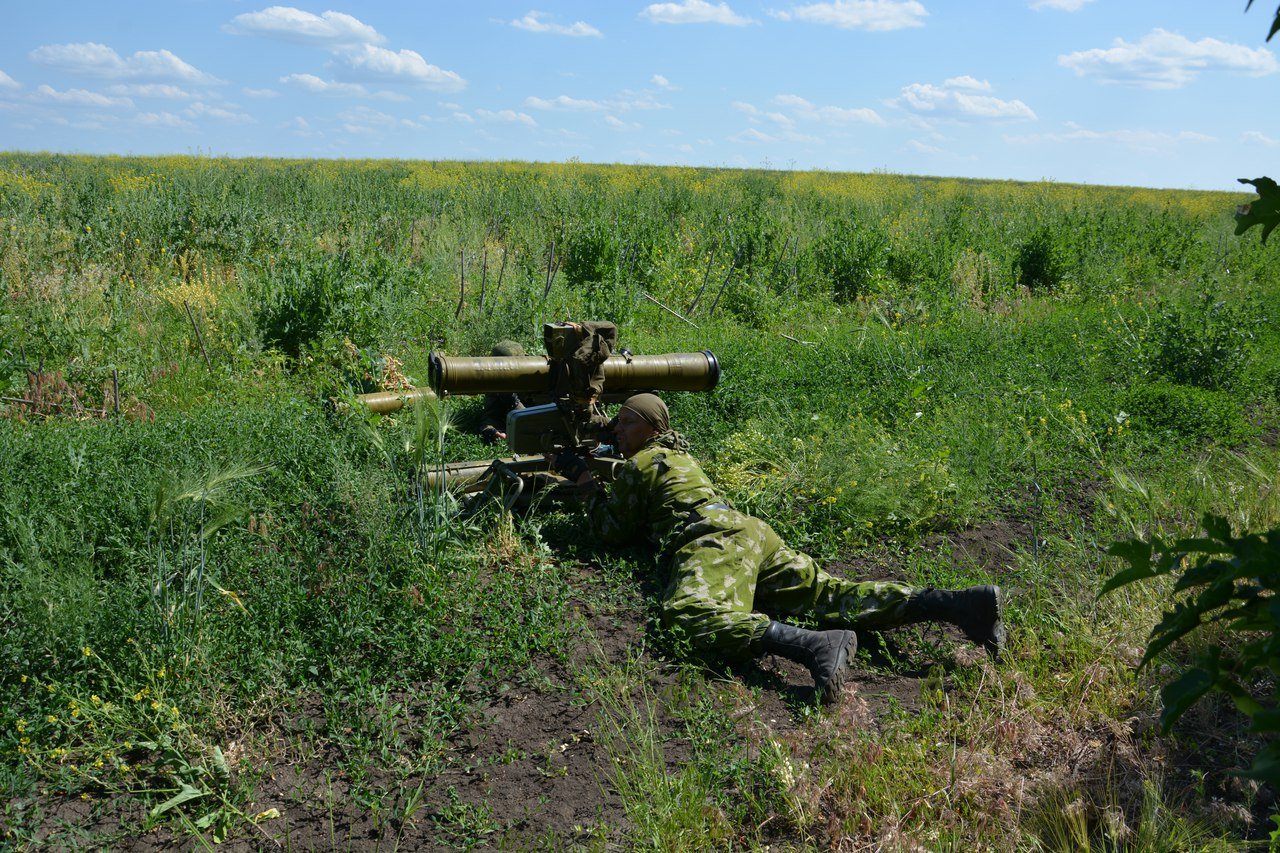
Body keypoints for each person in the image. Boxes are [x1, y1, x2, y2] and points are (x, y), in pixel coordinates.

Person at [551, 393, 1004, 705]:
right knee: (829, 594)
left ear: (651, 428)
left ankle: (816, 646)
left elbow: (610, 531)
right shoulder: (680, 456)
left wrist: (585, 483)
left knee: (687, 615)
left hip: (709, 539)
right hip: (750, 532)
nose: (618, 428)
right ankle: (961, 605)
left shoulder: (641, 463)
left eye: (627, 421)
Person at [478, 340, 530, 445]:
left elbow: (535, 422)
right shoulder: (498, 382)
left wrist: (513, 402)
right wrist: (491, 431)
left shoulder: (538, 379)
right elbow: (491, 415)